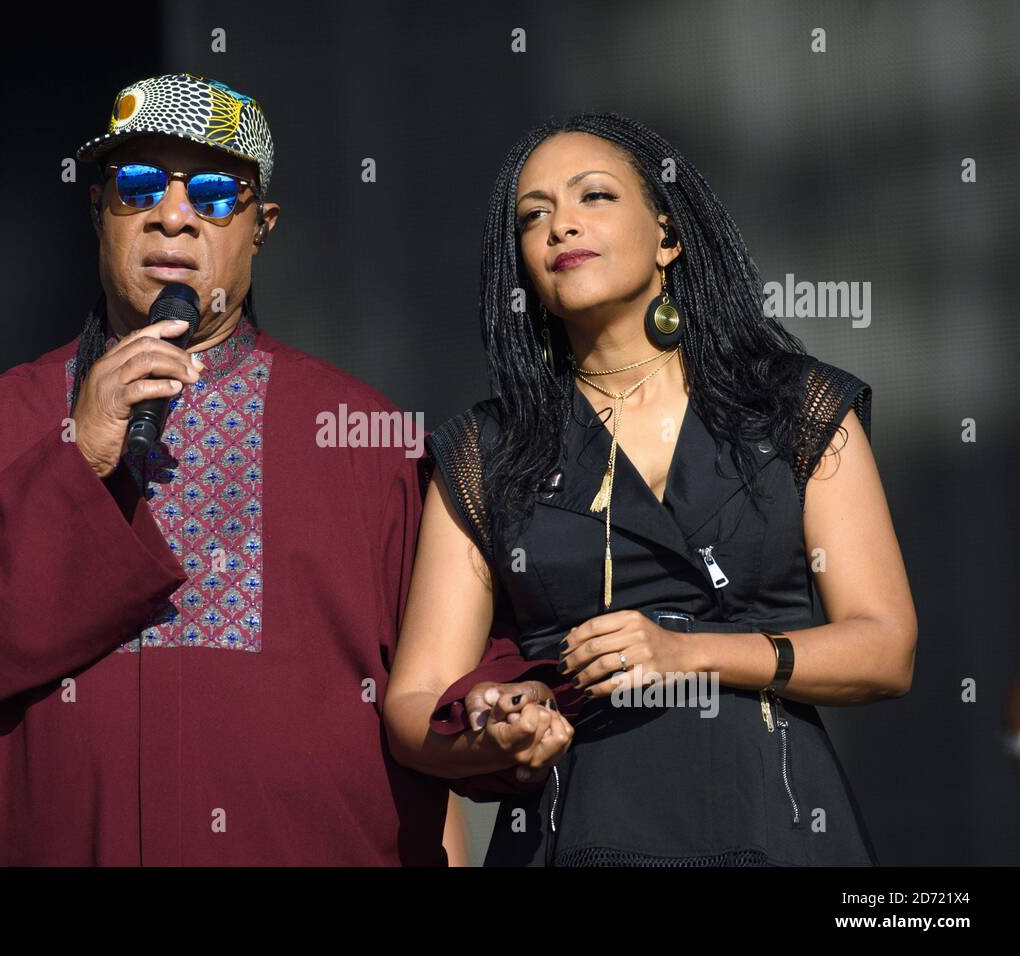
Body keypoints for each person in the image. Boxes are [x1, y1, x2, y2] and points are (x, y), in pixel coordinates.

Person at [0, 71, 528, 866]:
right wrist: (75, 456)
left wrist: (500, 704)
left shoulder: (366, 435)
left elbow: (455, 665)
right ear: (97, 212)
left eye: (213, 192)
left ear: (262, 225)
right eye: (136, 185)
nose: (171, 214)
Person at [384, 112, 918, 866]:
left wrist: (690, 651)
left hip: (773, 823)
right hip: (576, 828)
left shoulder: (797, 408)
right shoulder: (484, 449)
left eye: (592, 197)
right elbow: (414, 706)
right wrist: (493, 733)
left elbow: (886, 649)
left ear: (668, 237)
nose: (560, 226)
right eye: (534, 216)